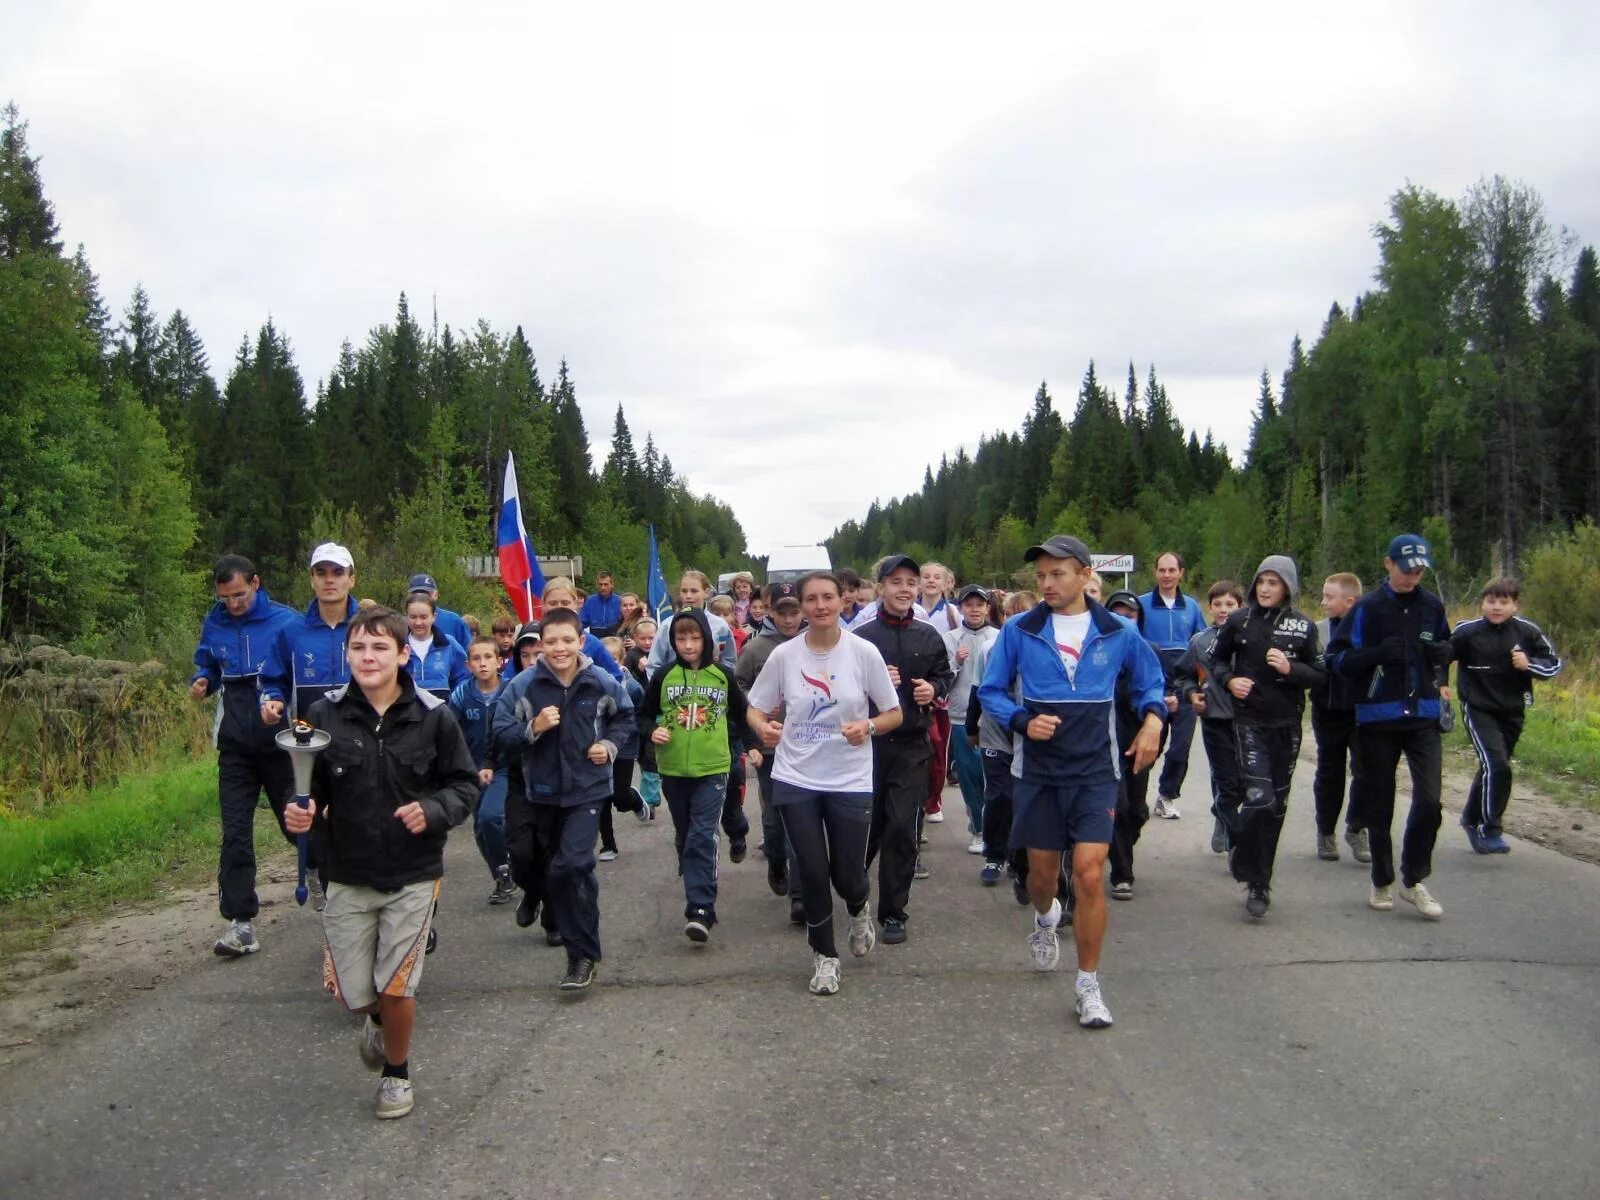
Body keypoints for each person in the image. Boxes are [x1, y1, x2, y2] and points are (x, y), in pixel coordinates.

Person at [284, 605, 477, 1119]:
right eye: (358, 647)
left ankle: (397, 1074)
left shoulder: (434, 714)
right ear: (347, 653)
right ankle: (375, 1020)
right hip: (345, 871)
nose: (367, 657)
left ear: (400, 653)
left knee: (397, 984)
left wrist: (434, 809)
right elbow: (305, 788)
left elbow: (463, 784)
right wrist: (297, 814)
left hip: (413, 873)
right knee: (354, 993)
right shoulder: (322, 713)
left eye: (378, 647)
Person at [977, 535, 1165, 1029]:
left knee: (1088, 873)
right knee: (1042, 879)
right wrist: (1021, 720)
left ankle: (1088, 984)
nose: (1046, 583)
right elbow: (991, 691)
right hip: (1037, 771)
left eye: (1056, 574)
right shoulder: (1019, 629)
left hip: (1095, 770)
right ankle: (1044, 919)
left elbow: (1151, 682)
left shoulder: (1119, 630)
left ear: (1085, 574)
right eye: (1040, 576)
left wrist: (1151, 722)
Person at [746, 571, 903, 994]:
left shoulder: (863, 652)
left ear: (841, 601)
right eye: (810, 599)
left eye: (828, 597)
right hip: (796, 775)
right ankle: (825, 956)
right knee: (813, 871)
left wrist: (868, 725)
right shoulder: (784, 656)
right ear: (799, 606)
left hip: (849, 778)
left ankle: (858, 906)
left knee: (847, 873)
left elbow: (894, 712)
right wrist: (764, 729)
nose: (820, 606)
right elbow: (756, 708)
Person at [492, 609, 634, 991]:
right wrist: (532, 729)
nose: (559, 648)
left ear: (581, 642)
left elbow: (625, 718)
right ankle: (565, 917)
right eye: (551, 641)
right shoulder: (524, 686)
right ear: (541, 645)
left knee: (572, 866)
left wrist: (608, 745)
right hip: (541, 792)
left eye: (567, 640)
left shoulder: (599, 681)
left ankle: (581, 956)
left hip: (588, 791)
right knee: (555, 869)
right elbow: (500, 734)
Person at [1326, 533, 1454, 920]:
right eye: (1406, 569)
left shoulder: (1432, 606)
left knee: (1430, 801)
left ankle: (1413, 879)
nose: (1412, 576)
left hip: (1424, 715)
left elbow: (1445, 647)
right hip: (1378, 717)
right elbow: (1336, 659)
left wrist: (1441, 659)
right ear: (1388, 564)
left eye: (1418, 570)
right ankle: (1381, 878)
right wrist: (1374, 656)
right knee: (1380, 804)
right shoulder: (1367, 608)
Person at [190, 554, 300, 958]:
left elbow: (301, 677)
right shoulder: (215, 620)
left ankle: (328, 878)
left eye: (239, 595)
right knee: (235, 834)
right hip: (235, 745)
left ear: (256, 582)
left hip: (279, 743)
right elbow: (207, 661)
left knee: (296, 822)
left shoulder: (287, 622)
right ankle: (240, 923)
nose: (233, 604)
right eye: (225, 598)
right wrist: (202, 679)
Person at [1203, 557, 1323, 918]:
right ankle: (1244, 856)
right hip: (1249, 722)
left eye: (1274, 582)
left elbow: (1320, 675)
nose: (1266, 588)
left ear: (1288, 586)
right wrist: (1229, 681)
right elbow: (1216, 661)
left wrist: (1292, 669)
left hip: (1286, 726)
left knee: (1276, 809)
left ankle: (1260, 883)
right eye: (1261, 582)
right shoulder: (1240, 621)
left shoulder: (1303, 627)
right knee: (1260, 799)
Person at [850, 554, 955, 943]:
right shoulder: (862, 638)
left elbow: (943, 676)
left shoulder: (928, 635)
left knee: (901, 828)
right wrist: (872, 685)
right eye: (896, 582)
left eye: (911, 582)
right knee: (866, 829)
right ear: (881, 588)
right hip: (869, 747)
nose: (905, 589)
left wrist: (933, 690)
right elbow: (844, 688)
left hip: (912, 745)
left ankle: (893, 911)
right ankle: (855, 899)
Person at [637, 608, 753, 942]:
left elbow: (742, 713)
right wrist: (651, 732)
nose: (688, 645)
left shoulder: (722, 675)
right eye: (681, 638)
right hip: (673, 768)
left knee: (703, 835)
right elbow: (643, 715)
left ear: (706, 639)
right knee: (685, 834)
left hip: (713, 767)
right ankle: (693, 872)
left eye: (695, 637)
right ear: (672, 641)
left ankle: (701, 908)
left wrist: (751, 745)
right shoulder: (664, 677)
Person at [258, 542, 359, 911]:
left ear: (352, 578)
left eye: (337, 573)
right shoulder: (291, 632)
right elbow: (273, 679)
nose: (329, 581)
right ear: (312, 580)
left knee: (358, 818)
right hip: (308, 742)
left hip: (359, 739)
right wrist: (271, 701)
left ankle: (353, 905)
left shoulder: (367, 625)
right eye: (322, 573)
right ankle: (319, 869)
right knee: (298, 819)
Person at [1450, 577, 1562, 854]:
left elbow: (1553, 665)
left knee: (1493, 767)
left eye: (1504, 602)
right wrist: (1439, 685)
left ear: (1515, 605)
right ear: (1482, 604)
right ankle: (1490, 829)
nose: (1496, 607)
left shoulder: (1527, 632)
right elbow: (1441, 655)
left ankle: (1470, 818)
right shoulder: (1467, 631)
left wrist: (1529, 664)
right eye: (1491, 601)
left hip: (1512, 710)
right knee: (1497, 765)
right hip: (1477, 707)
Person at [735, 581, 806, 921]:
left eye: (795, 612)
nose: (790, 619)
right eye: (783, 612)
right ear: (769, 610)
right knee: (775, 820)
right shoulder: (756, 648)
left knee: (801, 820)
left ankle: (800, 895)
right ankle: (776, 858)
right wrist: (759, 714)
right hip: (770, 745)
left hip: (808, 744)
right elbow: (739, 686)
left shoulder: (813, 642)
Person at [1103, 591, 1175, 901]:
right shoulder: (1099, 653)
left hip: (1138, 739)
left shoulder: (1150, 650)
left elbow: (1158, 693)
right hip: (1106, 740)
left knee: (1137, 810)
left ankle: (1121, 847)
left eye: (1129, 614)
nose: (1123, 620)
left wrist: (1160, 717)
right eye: (1116, 613)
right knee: (1117, 806)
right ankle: (1122, 873)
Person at [1171, 580, 1245, 855]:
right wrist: (1192, 694)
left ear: (1241, 607)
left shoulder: (1250, 639)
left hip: (1248, 719)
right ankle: (1231, 834)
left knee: (1245, 782)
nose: (1224, 610)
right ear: (1209, 607)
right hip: (1215, 718)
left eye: (1230, 604)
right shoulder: (1200, 641)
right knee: (1225, 778)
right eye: (1218, 604)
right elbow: (1183, 675)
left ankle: (1221, 809)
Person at [1140, 552, 1209, 820]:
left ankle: (1166, 796)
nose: (1167, 575)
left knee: (1180, 748)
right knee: (1150, 746)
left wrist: (1202, 684)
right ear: (1155, 572)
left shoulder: (1191, 607)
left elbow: (1202, 645)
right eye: (1162, 570)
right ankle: (1135, 795)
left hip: (1184, 685)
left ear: (1181, 572)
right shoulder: (1143, 604)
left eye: (1172, 570)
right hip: (1154, 683)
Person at [447, 636, 516, 904]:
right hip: (471, 769)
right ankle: (501, 876)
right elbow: (449, 731)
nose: (483, 663)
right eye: (476, 659)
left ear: (500, 661)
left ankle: (506, 867)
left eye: (488, 657)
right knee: (479, 828)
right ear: (468, 665)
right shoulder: (462, 694)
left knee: (490, 817)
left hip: (504, 767)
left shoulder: (511, 690)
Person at [1311, 572, 1370, 863]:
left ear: (1351, 601)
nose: (1323, 602)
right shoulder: (1318, 631)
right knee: (1330, 771)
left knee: (1367, 770)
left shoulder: (1370, 629)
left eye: (1329, 597)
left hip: (1363, 711)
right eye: (1323, 595)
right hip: (1328, 710)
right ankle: (1325, 832)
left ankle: (1357, 827)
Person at [945, 584, 998, 856]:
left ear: (988, 608)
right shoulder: (951, 638)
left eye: (980, 604)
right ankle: (977, 828)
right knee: (969, 776)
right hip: (959, 716)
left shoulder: (999, 637)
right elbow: (942, 679)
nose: (974, 609)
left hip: (992, 720)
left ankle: (996, 830)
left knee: (993, 777)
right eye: (969, 605)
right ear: (961, 608)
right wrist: (955, 662)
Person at [595, 635, 650, 862]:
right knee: (602, 798)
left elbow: (642, 714)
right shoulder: (591, 684)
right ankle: (609, 845)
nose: (607, 668)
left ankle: (633, 799)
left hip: (626, 746)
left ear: (622, 661)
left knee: (619, 796)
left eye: (613, 661)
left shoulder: (633, 687)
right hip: (599, 746)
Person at [645, 570, 738, 674]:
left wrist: (720, 684)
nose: (688, 596)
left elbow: (729, 661)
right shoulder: (667, 625)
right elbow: (653, 665)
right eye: (684, 591)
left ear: (706, 592)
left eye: (694, 591)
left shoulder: (720, 626)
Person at [541, 577, 627, 681]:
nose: (559, 608)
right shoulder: (531, 641)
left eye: (565, 603)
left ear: (575, 604)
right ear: (543, 605)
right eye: (553, 603)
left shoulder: (593, 644)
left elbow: (616, 678)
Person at [402, 591, 470, 700]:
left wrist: (455, 701)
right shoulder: (399, 645)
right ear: (406, 617)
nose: (418, 622)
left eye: (423, 617)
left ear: (434, 617)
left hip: (442, 712)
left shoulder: (449, 643)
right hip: (407, 712)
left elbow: (464, 676)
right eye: (413, 617)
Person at [406, 573, 471, 651]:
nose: (422, 597)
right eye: (416, 594)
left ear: (436, 595)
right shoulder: (401, 624)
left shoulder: (454, 621)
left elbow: (470, 653)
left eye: (426, 594)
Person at [578, 571, 623, 637]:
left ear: (612, 585)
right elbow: (582, 622)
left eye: (606, 584)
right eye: (600, 584)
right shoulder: (590, 601)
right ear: (597, 585)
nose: (603, 587)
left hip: (615, 638)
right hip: (596, 637)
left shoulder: (620, 601)